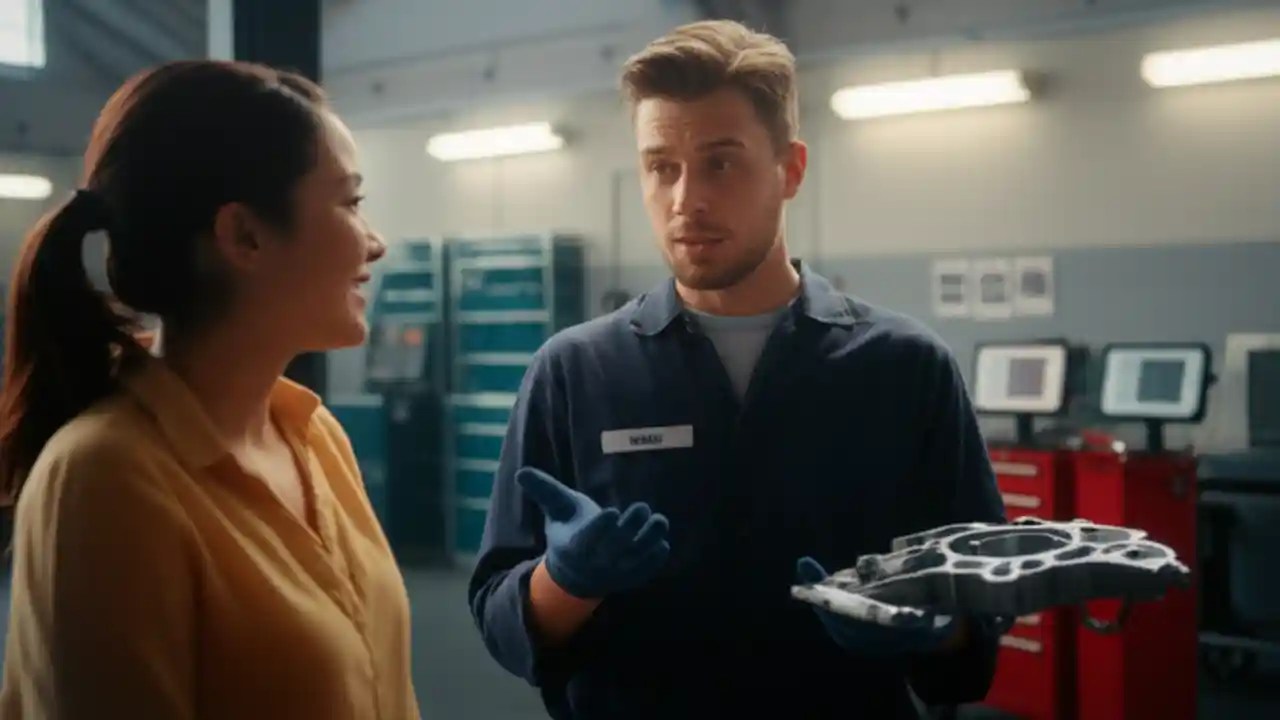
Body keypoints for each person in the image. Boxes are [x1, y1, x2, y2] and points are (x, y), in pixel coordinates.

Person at [468, 19, 1007, 719]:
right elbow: (501, 620)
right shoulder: (573, 372)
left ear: (790, 169)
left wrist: (937, 626)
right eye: (661, 165)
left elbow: (981, 613)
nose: (686, 198)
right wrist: (564, 581)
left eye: (721, 162)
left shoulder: (905, 367)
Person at [0, 60, 419, 719]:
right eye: (350, 203)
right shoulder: (105, 476)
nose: (375, 243)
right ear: (243, 234)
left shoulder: (312, 433)